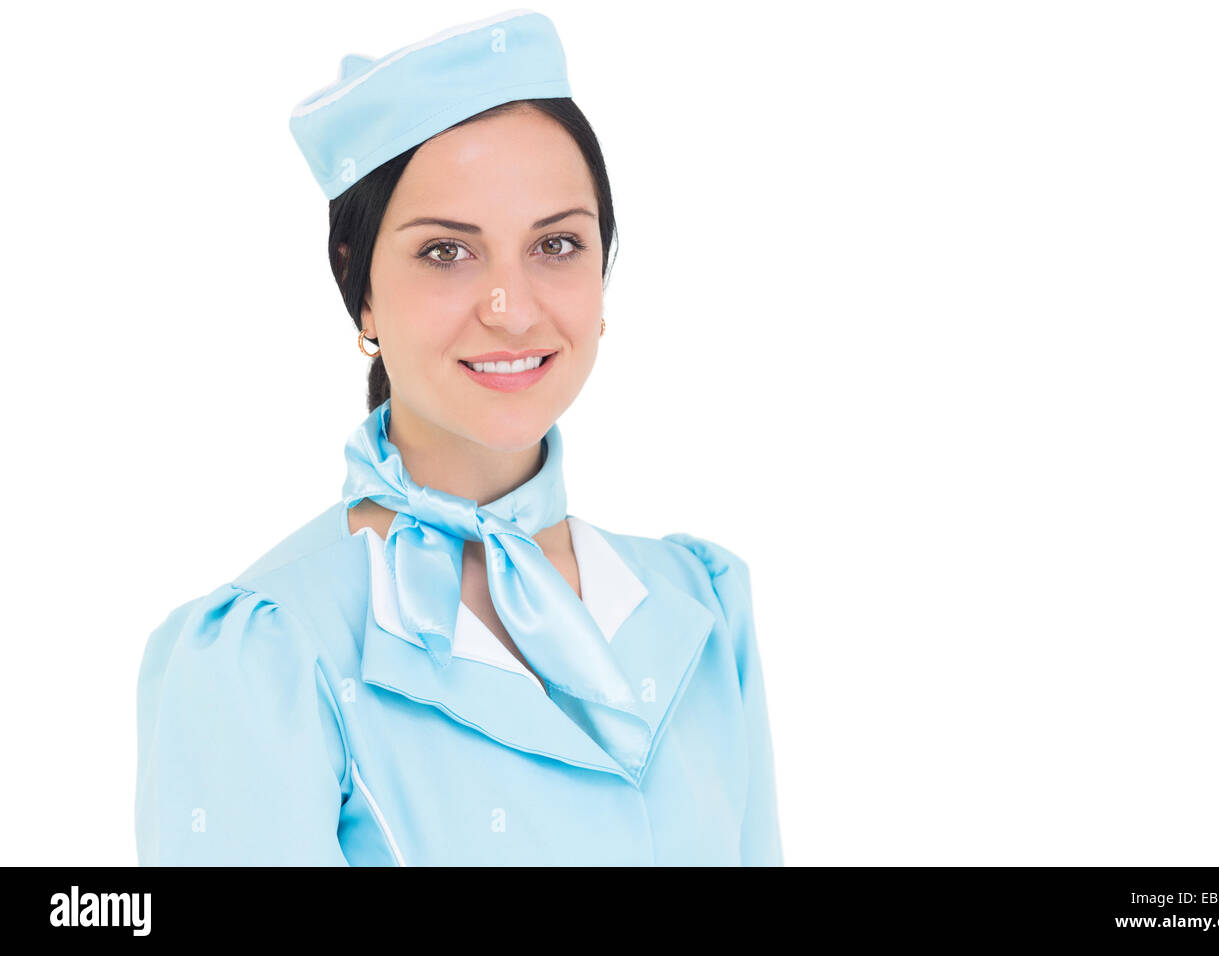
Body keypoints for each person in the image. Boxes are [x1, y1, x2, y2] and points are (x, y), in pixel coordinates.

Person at [134, 8, 782, 866]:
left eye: (556, 244)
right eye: (447, 253)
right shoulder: (269, 655)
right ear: (356, 282)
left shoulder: (699, 609)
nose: (510, 309)